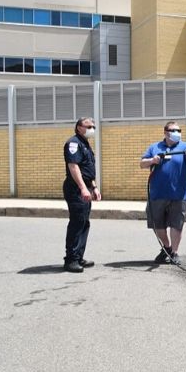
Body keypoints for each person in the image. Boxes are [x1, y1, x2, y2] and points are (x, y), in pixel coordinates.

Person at [139, 121, 186, 264]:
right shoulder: (155, 147)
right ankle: (167, 247)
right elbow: (142, 163)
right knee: (158, 226)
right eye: (174, 130)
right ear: (165, 132)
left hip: (180, 194)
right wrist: (152, 160)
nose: (177, 133)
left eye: (179, 130)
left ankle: (174, 252)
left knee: (176, 225)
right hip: (157, 194)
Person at [63, 117, 101, 273]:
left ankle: (78, 256)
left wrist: (94, 187)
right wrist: (83, 188)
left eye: (93, 126)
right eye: (88, 126)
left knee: (84, 222)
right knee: (77, 222)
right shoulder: (73, 143)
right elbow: (73, 166)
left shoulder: (84, 143)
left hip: (85, 187)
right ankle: (70, 259)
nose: (92, 129)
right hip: (75, 188)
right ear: (79, 127)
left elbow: (88, 169)